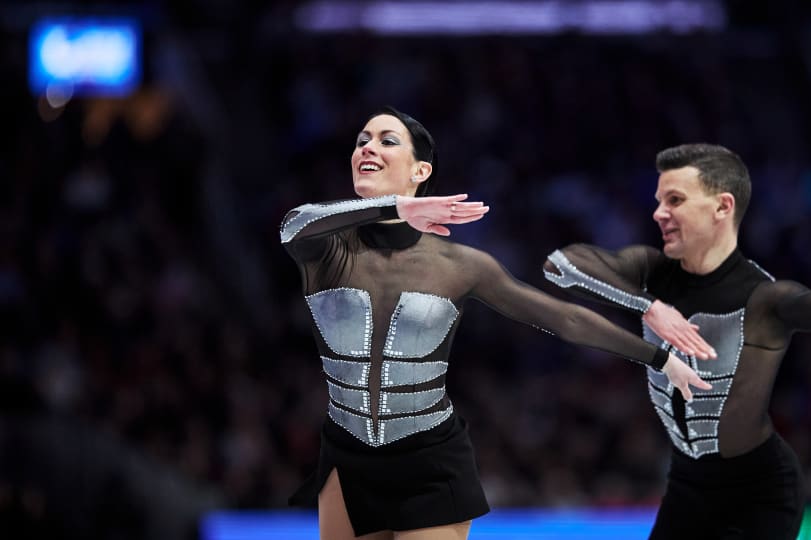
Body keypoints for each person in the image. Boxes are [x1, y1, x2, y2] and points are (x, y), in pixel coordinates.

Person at [279, 107, 711, 540]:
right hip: (346, 456)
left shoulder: (459, 265)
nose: (367, 147)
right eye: (361, 140)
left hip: (429, 457)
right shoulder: (324, 251)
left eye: (386, 140)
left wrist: (659, 357)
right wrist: (396, 206)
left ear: (420, 170)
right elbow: (293, 225)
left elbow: (562, 317)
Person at [543, 143, 811, 539]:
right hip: (687, 484)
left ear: (722, 207)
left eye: (675, 200)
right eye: (659, 201)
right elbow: (560, 266)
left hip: (758, 491)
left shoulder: (761, 296)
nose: (659, 213)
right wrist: (648, 306)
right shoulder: (649, 272)